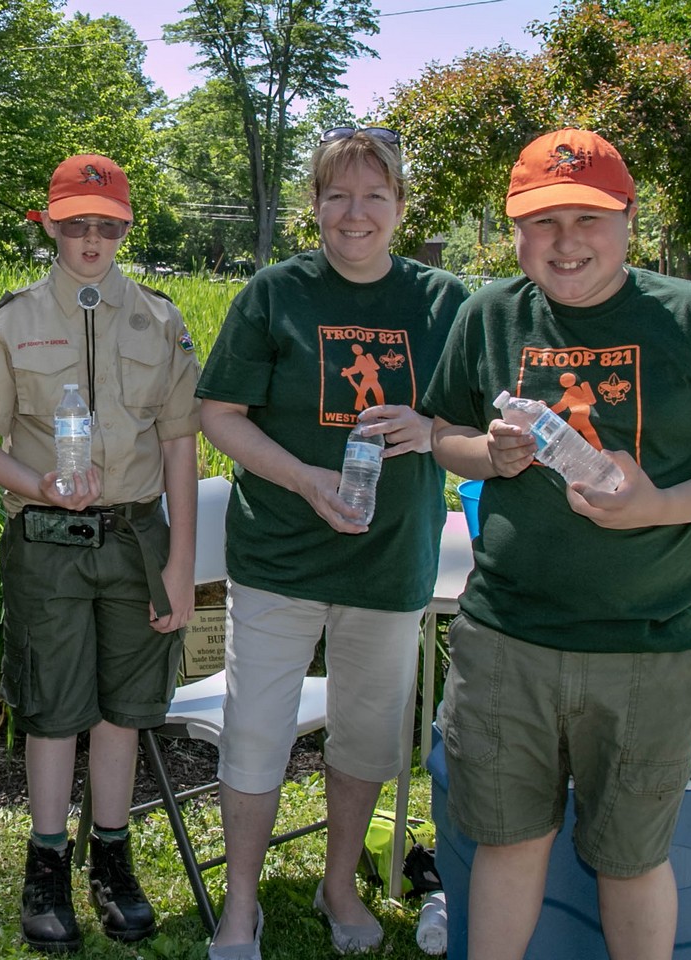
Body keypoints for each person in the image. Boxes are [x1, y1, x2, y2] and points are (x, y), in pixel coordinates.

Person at [425, 128, 691, 960]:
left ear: (629, 218)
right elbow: (441, 432)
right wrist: (487, 453)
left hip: (647, 647)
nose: (565, 242)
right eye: (542, 220)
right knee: (507, 842)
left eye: (588, 218)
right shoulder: (488, 314)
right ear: (514, 228)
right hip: (505, 641)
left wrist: (660, 504)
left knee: (631, 860)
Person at [196, 127, 468, 959]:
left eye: (375, 196)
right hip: (281, 555)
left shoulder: (446, 302)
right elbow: (219, 415)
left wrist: (429, 428)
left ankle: (339, 882)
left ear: (400, 206)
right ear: (314, 204)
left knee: (367, 735)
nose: (357, 213)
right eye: (338, 195)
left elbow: (484, 420)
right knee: (255, 733)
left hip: (388, 562)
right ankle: (241, 904)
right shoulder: (275, 294)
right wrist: (306, 480)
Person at [0, 153, 200, 952]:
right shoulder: (13, 320)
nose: (91, 238)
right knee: (55, 712)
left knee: (124, 713)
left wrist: (181, 566)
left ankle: (114, 860)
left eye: (106, 224)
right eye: (75, 224)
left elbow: (178, 447)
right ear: (50, 225)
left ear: (126, 227)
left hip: (137, 541)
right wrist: (36, 480)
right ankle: (47, 864)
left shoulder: (160, 319)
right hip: (47, 542)